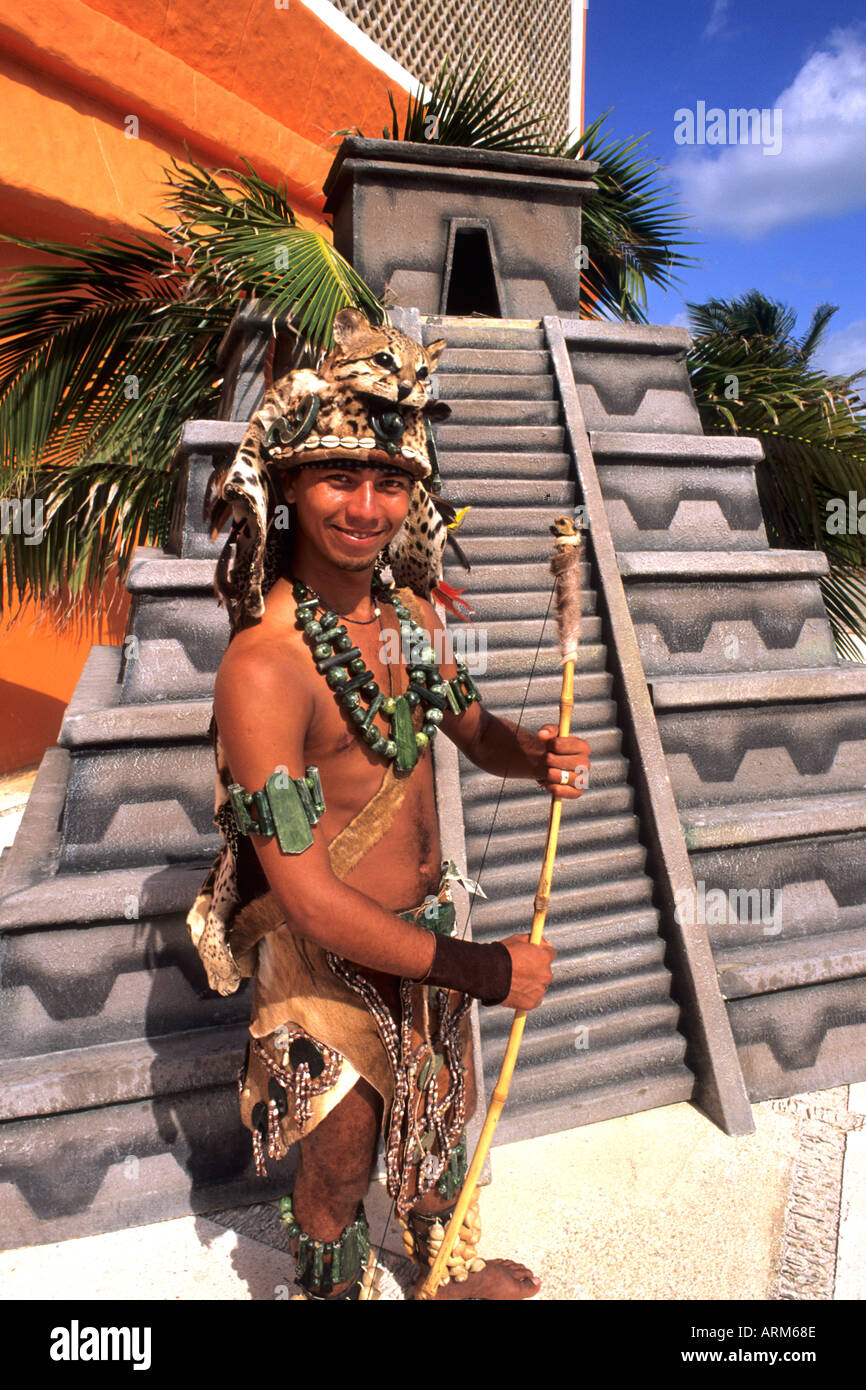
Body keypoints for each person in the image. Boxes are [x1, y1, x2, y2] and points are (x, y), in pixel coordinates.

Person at [188, 320, 590, 1300]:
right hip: (326, 957)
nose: (366, 508)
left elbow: (467, 725)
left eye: (389, 480)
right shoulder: (265, 664)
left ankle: (441, 1265)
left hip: (421, 935)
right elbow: (313, 902)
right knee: (340, 1154)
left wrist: (530, 753)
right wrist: (487, 968)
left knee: (437, 1120)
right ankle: (329, 1289)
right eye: (339, 478)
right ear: (286, 483)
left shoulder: (410, 620)